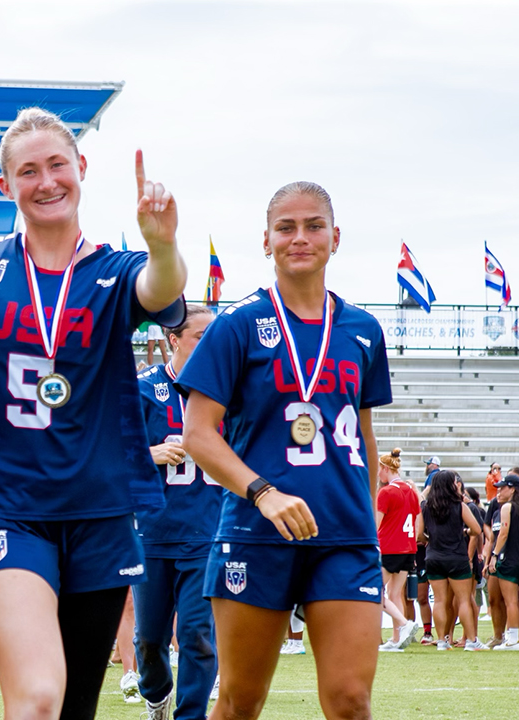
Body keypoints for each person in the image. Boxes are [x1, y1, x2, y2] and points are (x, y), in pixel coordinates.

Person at [0, 108, 187, 720]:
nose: (47, 181)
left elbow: (161, 291)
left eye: (57, 164)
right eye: (28, 171)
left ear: (81, 168)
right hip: (9, 507)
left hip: (99, 510)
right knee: (35, 700)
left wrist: (162, 244)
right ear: (6, 185)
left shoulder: (114, 268)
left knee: (77, 703)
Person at [179, 181, 392, 720]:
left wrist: (365, 518)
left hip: (343, 537)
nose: (301, 237)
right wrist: (263, 493)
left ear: (335, 237)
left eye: (314, 225)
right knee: (239, 701)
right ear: (266, 240)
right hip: (256, 533)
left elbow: (362, 435)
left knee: (351, 701)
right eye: (287, 227)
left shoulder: (363, 330)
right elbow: (199, 433)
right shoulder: (237, 325)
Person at [133, 305, 220, 718]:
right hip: (152, 532)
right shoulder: (143, 388)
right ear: (173, 339)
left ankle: (191, 715)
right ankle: (157, 694)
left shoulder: (229, 389)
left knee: (196, 634)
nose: (211, 344)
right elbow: (107, 454)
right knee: (148, 641)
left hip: (207, 532)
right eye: (201, 336)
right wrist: (148, 453)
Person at [416, 469, 487, 651]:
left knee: (439, 601)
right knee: (463, 600)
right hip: (456, 556)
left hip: (433, 556)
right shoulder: (459, 506)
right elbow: (477, 530)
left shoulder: (426, 507)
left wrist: (430, 540)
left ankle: (441, 641)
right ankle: (471, 641)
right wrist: (465, 532)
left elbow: (418, 534)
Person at [375, 448, 419, 651]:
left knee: (375, 592)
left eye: (379, 469)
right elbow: (417, 520)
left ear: (385, 468)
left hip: (389, 547)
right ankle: (396, 639)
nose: (377, 474)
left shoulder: (386, 492)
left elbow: (376, 525)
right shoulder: (411, 490)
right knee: (394, 593)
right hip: (408, 548)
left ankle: (403, 624)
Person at [487, 473, 519, 650]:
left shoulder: (507, 508)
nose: (499, 490)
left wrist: (494, 554)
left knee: (511, 601)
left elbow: (503, 533)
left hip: (510, 559)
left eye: (503, 487)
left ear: (512, 489)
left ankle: (513, 639)